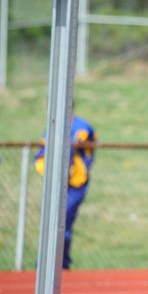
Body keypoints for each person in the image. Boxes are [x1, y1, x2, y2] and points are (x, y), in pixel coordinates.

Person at [34, 113, 96, 270]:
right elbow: (42, 152)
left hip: (76, 183)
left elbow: (77, 145)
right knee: (53, 220)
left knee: (62, 220)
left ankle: (58, 262)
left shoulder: (82, 126)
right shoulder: (52, 127)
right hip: (56, 184)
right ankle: (53, 262)